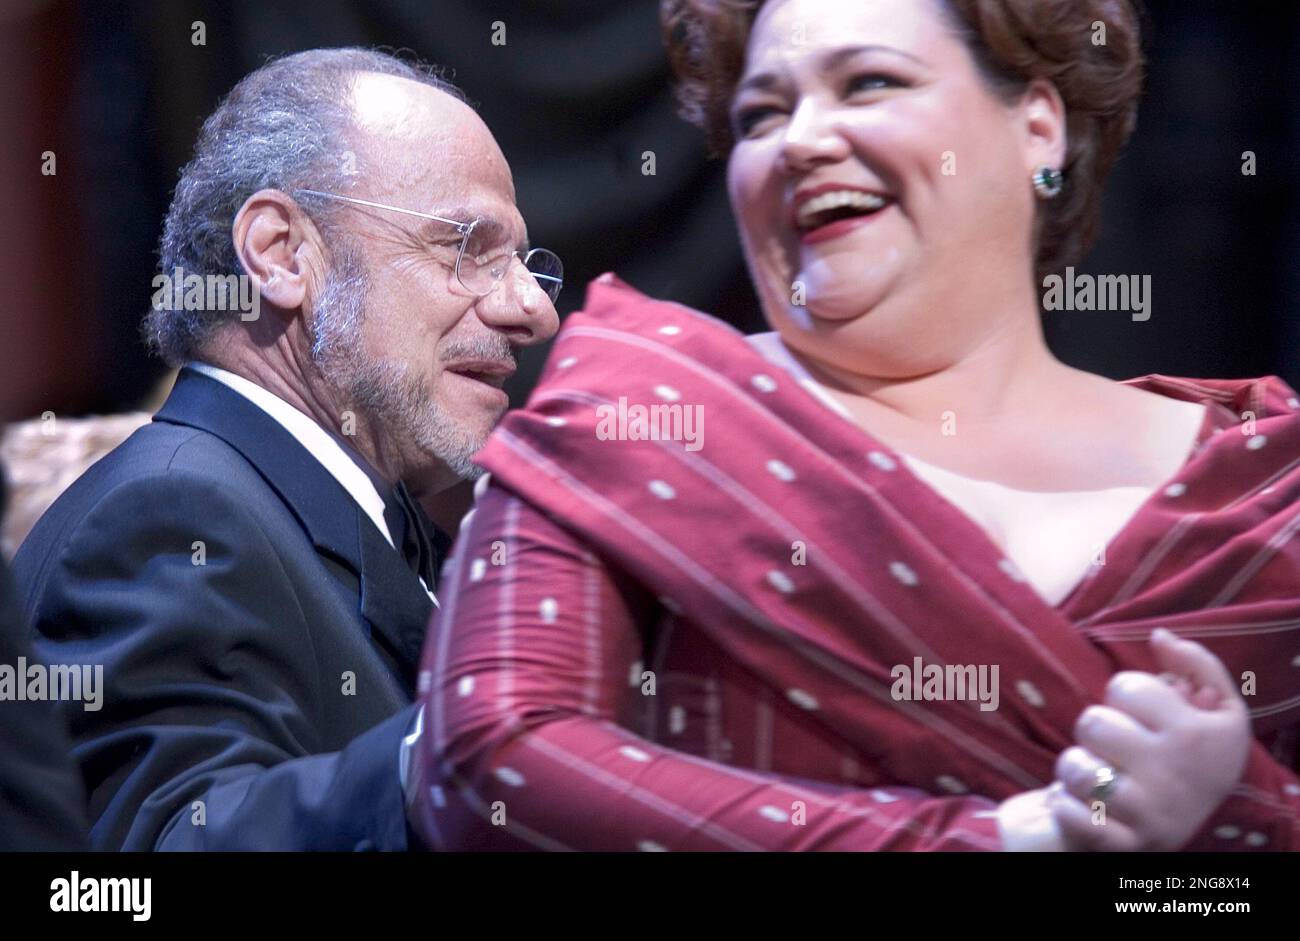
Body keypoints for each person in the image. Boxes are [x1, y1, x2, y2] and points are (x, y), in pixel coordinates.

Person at [408, 0, 1300, 851]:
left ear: (1039, 127)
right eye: (761, 115)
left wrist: (1243, 814)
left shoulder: (1263, 483)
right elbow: (488, 767)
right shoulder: (641, 413)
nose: (799, 141)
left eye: (870, 83)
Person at [11, 48, 560, 850]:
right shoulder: (167, 515)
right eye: (467, 246)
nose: (532, 310)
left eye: (523, 260)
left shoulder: (378, 522)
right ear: (280, 253)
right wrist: (465, 741)